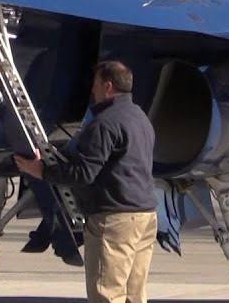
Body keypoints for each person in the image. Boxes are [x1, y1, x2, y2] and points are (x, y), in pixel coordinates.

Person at [14, 60, 158, 303]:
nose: (92, 90)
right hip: (145, 216)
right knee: (134, 295)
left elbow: (83, 174)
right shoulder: (140, 117)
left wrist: (42, 171)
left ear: (108, 86)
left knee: (107, 294)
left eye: (96, 84)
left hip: (115, 220)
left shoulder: (104, 124)